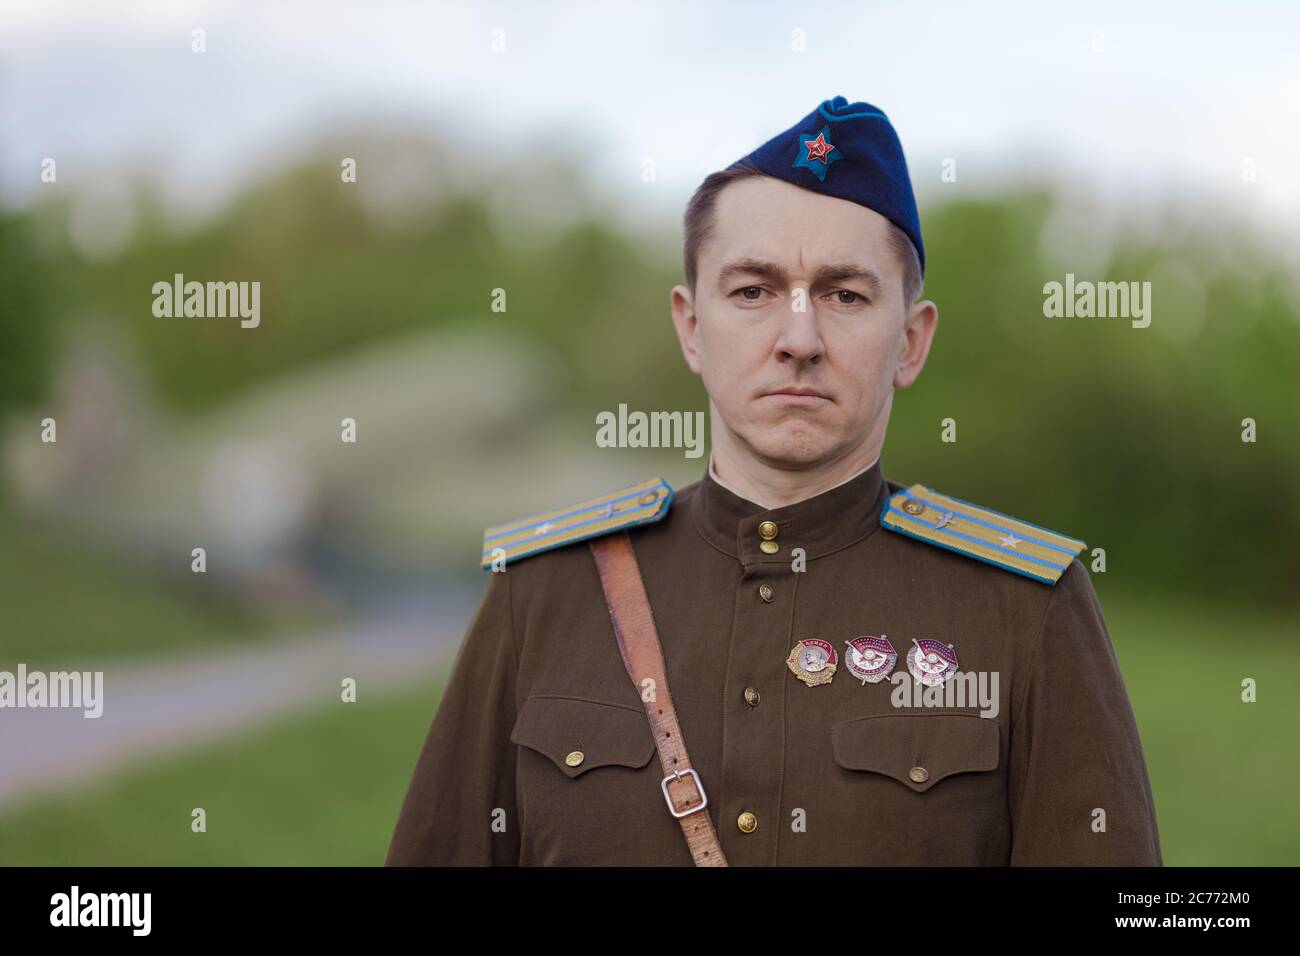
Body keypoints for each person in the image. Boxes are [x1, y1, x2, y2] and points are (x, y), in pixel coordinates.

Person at [385, 95, 1162, 866]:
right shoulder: (544, 592)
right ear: (692, 327)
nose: (799, 339)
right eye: (752, 291)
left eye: (845, 295)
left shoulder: (1023, 608)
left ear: (911, 343)